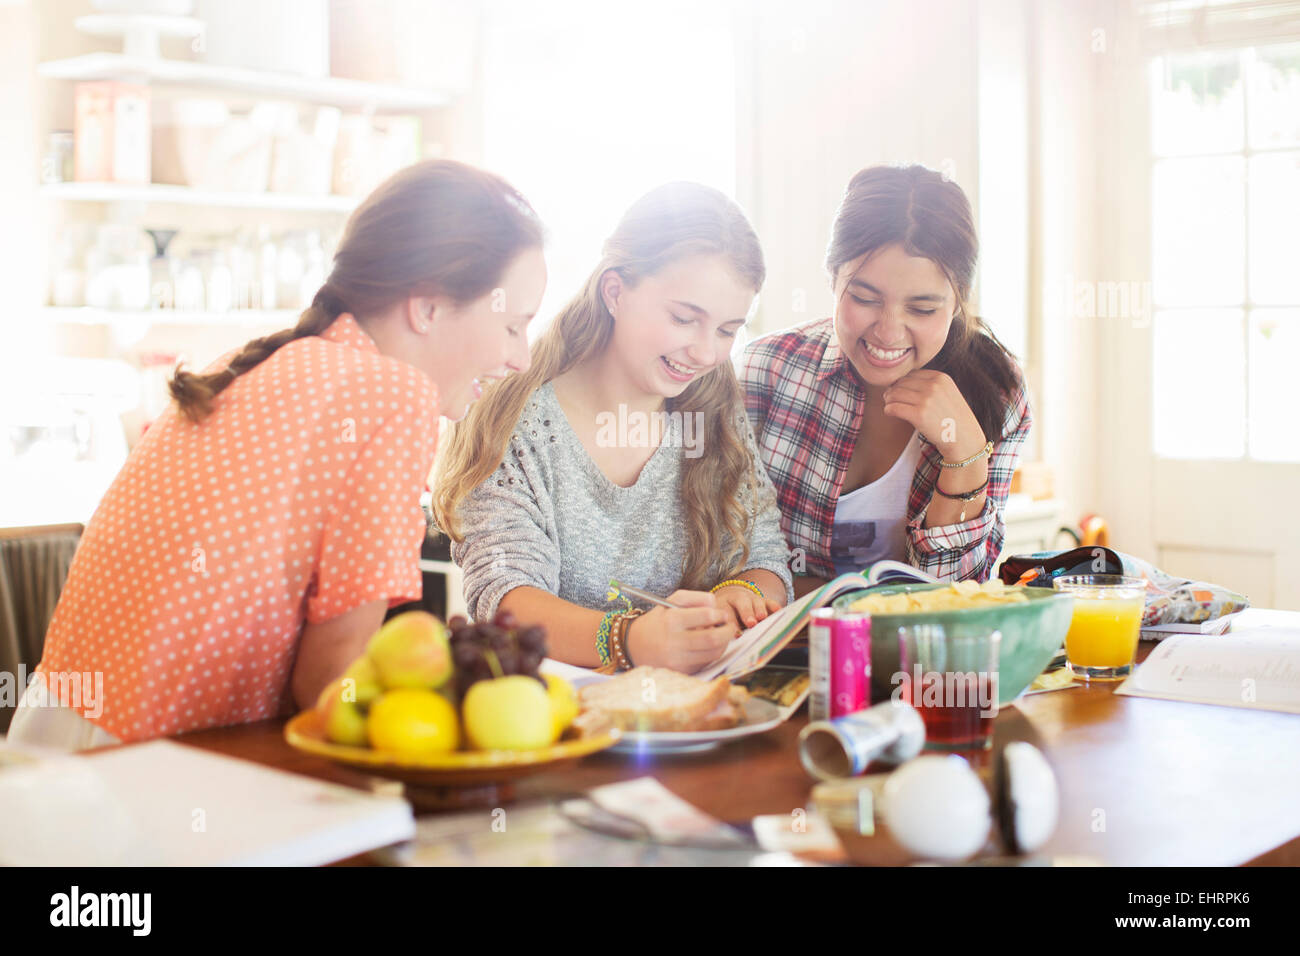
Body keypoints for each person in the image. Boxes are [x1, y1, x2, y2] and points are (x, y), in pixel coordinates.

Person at [8, 160, 546, 749]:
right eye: (514, 327)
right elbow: (329, 687)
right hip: (142, 774)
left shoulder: (258, 362)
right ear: (428, 307)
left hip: (52, 740)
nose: (519, 359)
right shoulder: (394, 392)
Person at [434, 182, 793, 674]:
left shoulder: (713, 406)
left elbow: (768, 555)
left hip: (697, 714)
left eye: (728, 330)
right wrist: (628, 640)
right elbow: (504, 596)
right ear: (615, 292)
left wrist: (742, 593)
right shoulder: (515, 419)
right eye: (685, 319)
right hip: (556, 721)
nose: (707, 352)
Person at [740, 164, 1032, 596]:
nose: (888, 333)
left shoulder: (998, 391)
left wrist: (967, 456)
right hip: (784, 656)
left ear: (958, 302)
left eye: (922, 309)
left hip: (919, 662)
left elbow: (954, 598)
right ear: (832, 277)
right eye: (864, 298)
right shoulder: (767, 369)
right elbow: (726, 558)